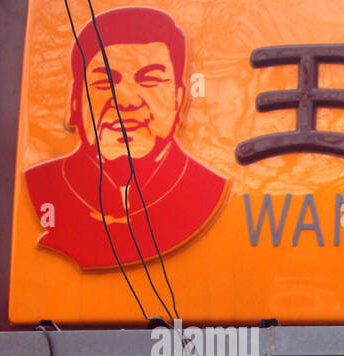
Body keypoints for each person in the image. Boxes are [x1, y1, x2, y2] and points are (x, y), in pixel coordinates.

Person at [24, 5, 228, 270]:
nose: (127, 101)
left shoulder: (208, 190)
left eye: (151, 81)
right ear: (75, 102)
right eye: (105, 81)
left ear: (179, 99)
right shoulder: (42, 184)